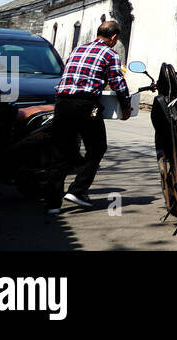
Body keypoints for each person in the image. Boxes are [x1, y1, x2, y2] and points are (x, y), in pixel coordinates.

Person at [44, 17, 131, 214]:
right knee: (97, 147)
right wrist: (126, 106)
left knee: (60, 151)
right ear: (114, 37)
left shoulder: (78, 49)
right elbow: (117, 82)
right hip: (86, 105)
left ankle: (52, 204)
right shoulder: (109, 54)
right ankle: (78, 190)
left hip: (62, 103)